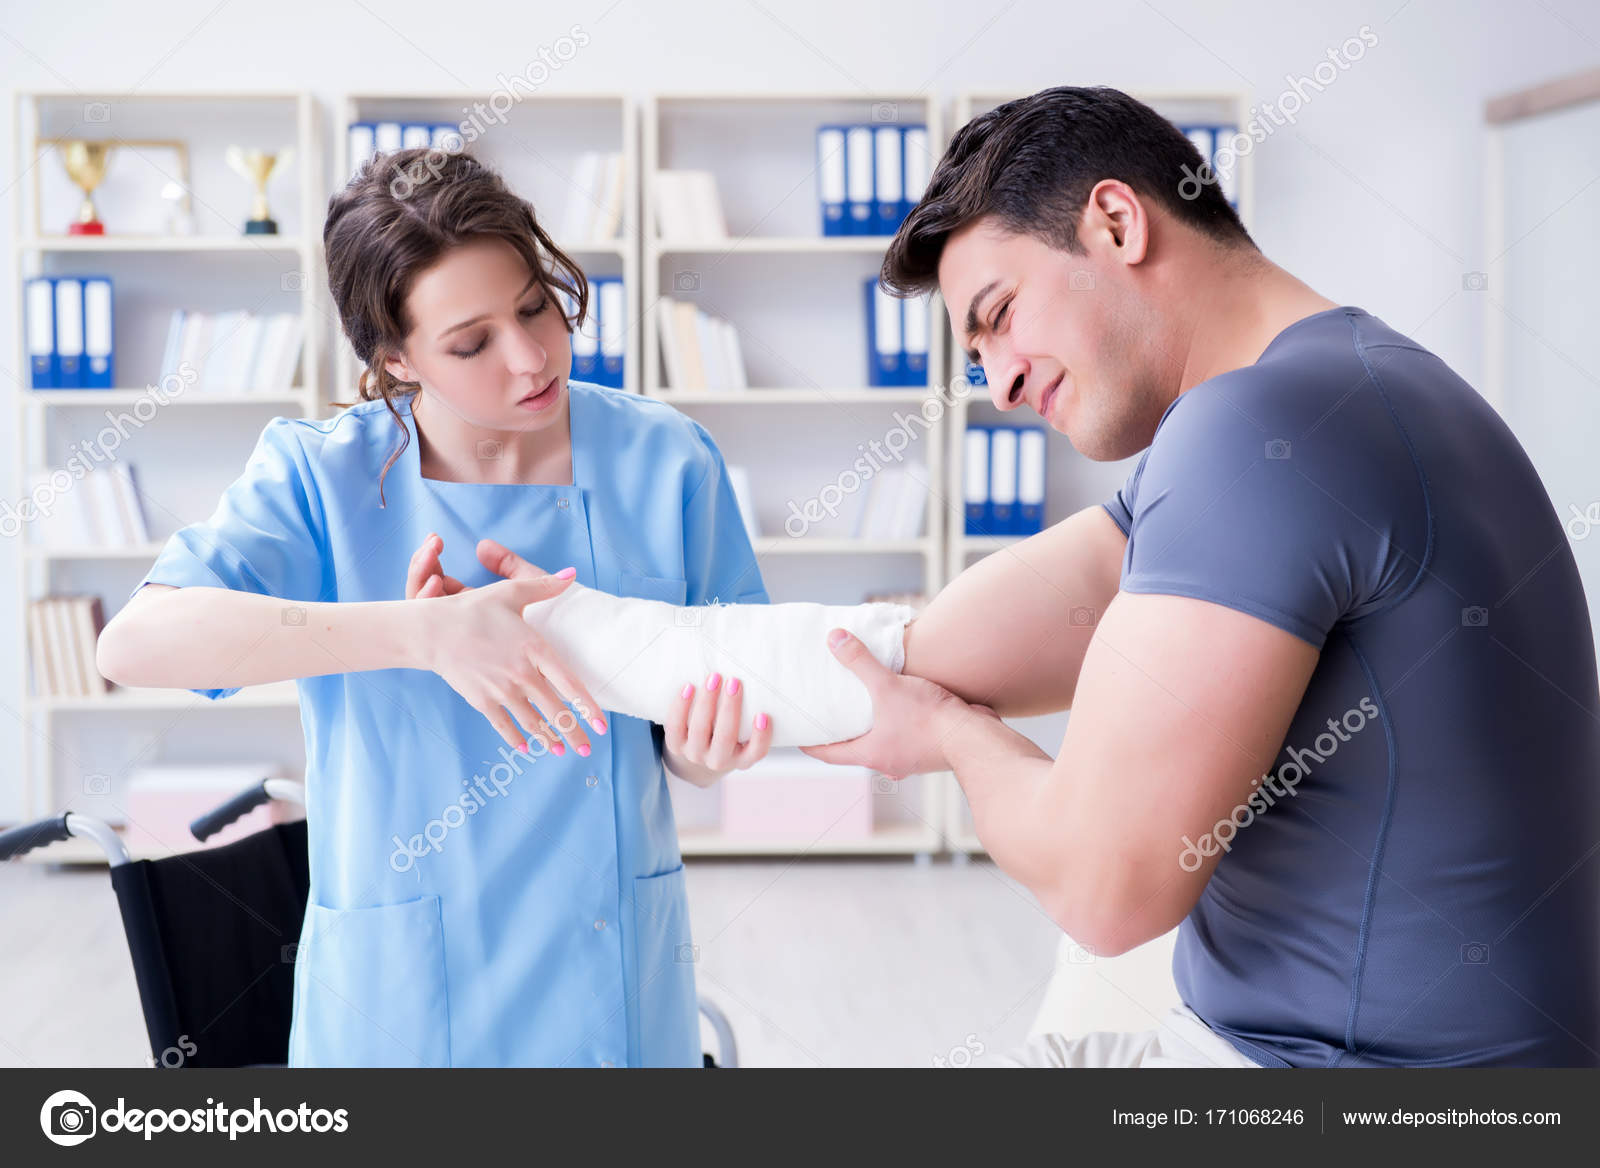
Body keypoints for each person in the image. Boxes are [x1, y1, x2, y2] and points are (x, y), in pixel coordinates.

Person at [805, 85, 1600, 1067]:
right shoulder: (1337, 388)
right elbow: (971, 637)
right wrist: (881, 672)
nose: (1001, 382)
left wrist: (952, 739)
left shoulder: (1258, 432)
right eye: (978, 357)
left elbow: (1105, 891)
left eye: (1000, 316)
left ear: (1115, 221)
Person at [95, 148, 775, 1067]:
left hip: (611, 981)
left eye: (535, 306)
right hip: (402, 1000)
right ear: (396, 356)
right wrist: (420, 634)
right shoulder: (320, 477)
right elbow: (137, 645)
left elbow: (711, 719)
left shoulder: (667, 459)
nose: (532, 356)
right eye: (471, 343)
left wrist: (704, 750)